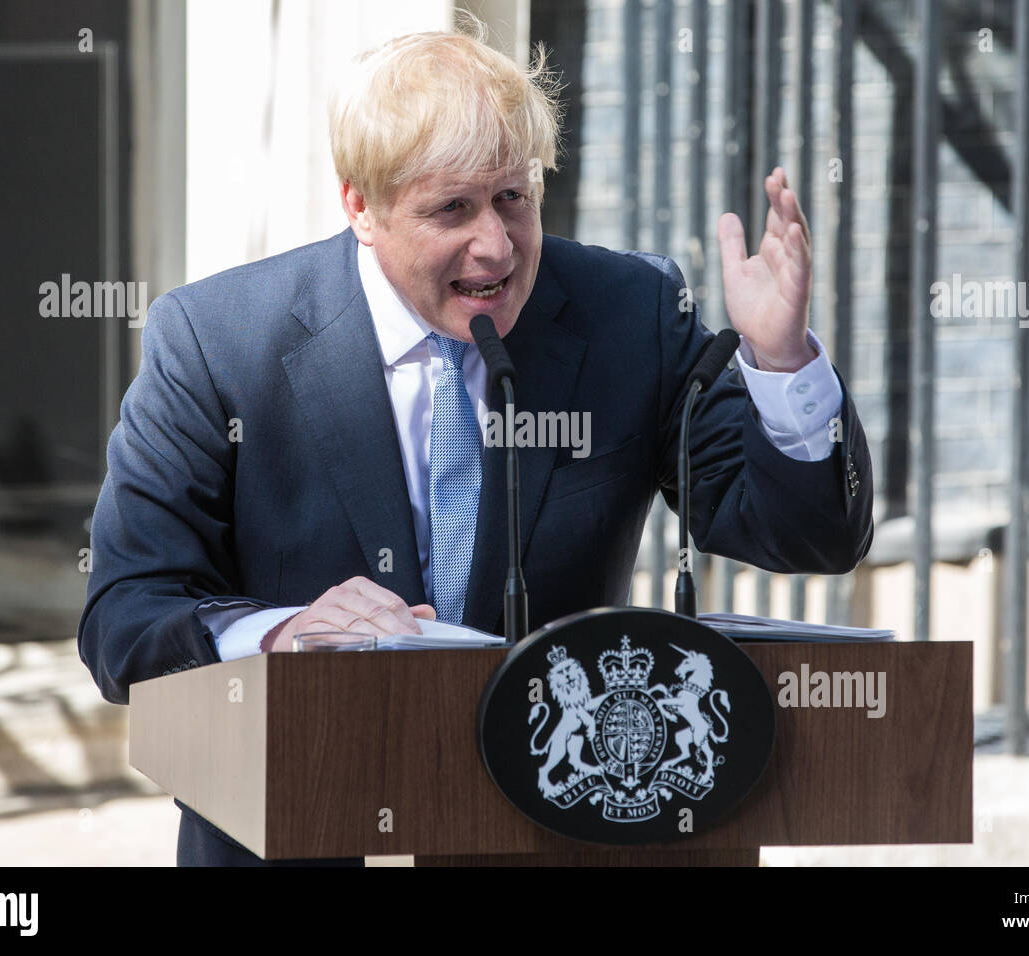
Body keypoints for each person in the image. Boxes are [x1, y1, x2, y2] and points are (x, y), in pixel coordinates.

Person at [78, 25, 873, 866]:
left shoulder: (627, 313)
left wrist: (782, 362)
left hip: (554, 837)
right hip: (302, 826)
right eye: (451, 209)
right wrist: (283, 637)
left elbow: (808, 536)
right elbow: (126, 618)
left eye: (514, 198)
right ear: (360, 206)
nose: (495, 245)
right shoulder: (217, 341)